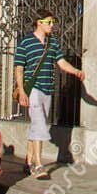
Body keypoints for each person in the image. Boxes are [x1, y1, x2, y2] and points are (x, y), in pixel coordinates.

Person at [14, 10, 84, 179]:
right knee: (39, 124)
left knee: (36, 125)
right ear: (39, 22)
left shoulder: (52, 44)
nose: (52, 25)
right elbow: (19, 67)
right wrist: (22, 90)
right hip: (34, 89)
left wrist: (75, 71)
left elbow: (61, 62)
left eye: (52, 22)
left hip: (48, 89)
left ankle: (28, 161)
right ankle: (38, 166)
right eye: (49, 22)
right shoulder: (25, 42)